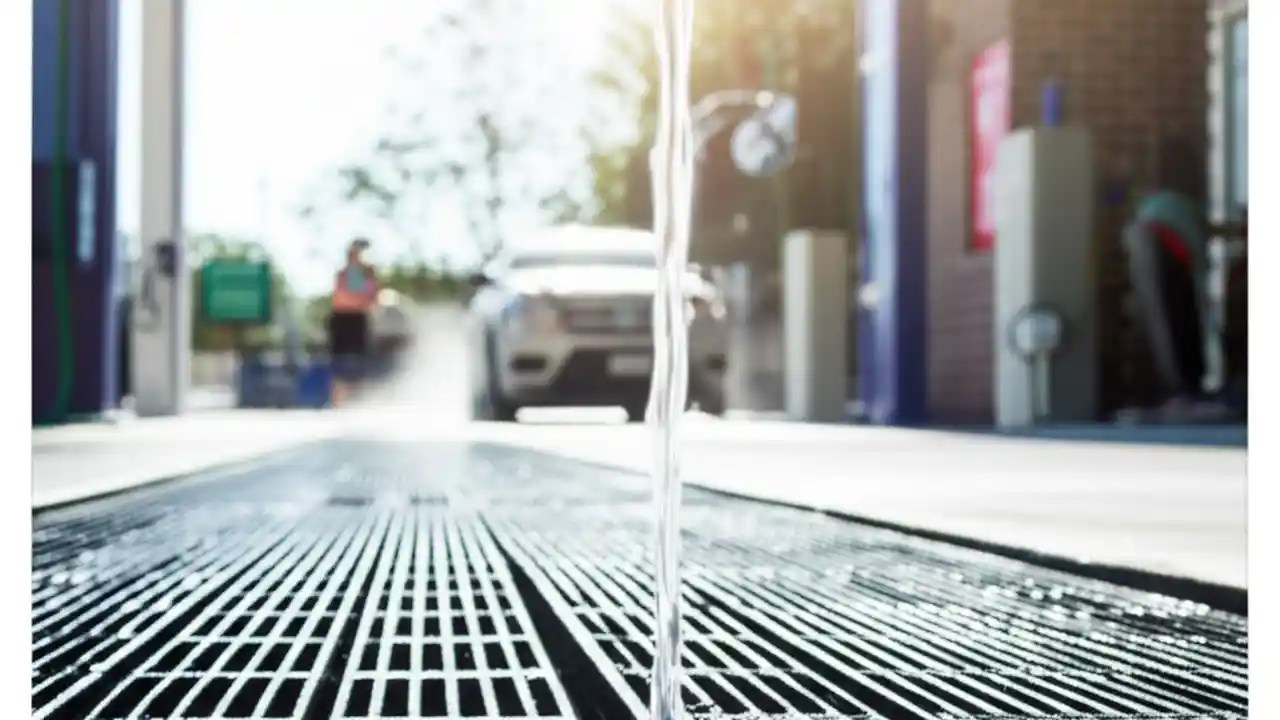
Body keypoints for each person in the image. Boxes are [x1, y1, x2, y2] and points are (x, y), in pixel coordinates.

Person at [327, 238, 379, 407]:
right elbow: (346, 297)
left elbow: (370, 300)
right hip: (343, 318)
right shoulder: (346, 273)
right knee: (339, 362)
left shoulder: (366, 273)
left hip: (358, 318)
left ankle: (358, 400)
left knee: (360, 361)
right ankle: (338, 401)